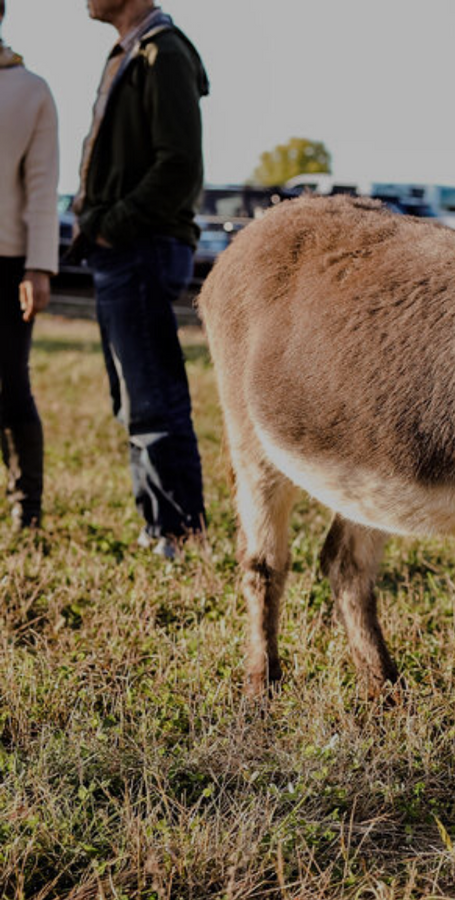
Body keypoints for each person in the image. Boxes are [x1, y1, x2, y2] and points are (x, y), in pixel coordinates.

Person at [67, 0, 209, 558]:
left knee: (153, 398)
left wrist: (109, 225)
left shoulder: (163, 53)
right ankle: (159, 527)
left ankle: (179, 533)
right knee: (133, 398)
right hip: (123, 248)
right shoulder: (128, 54)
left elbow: (179, 167)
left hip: (140, 247)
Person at [0, 0, 57, 530]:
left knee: (10, 383)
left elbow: (42, 188)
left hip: (9, 260)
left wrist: (38, 267)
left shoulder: (31, 91)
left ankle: (27, 506)